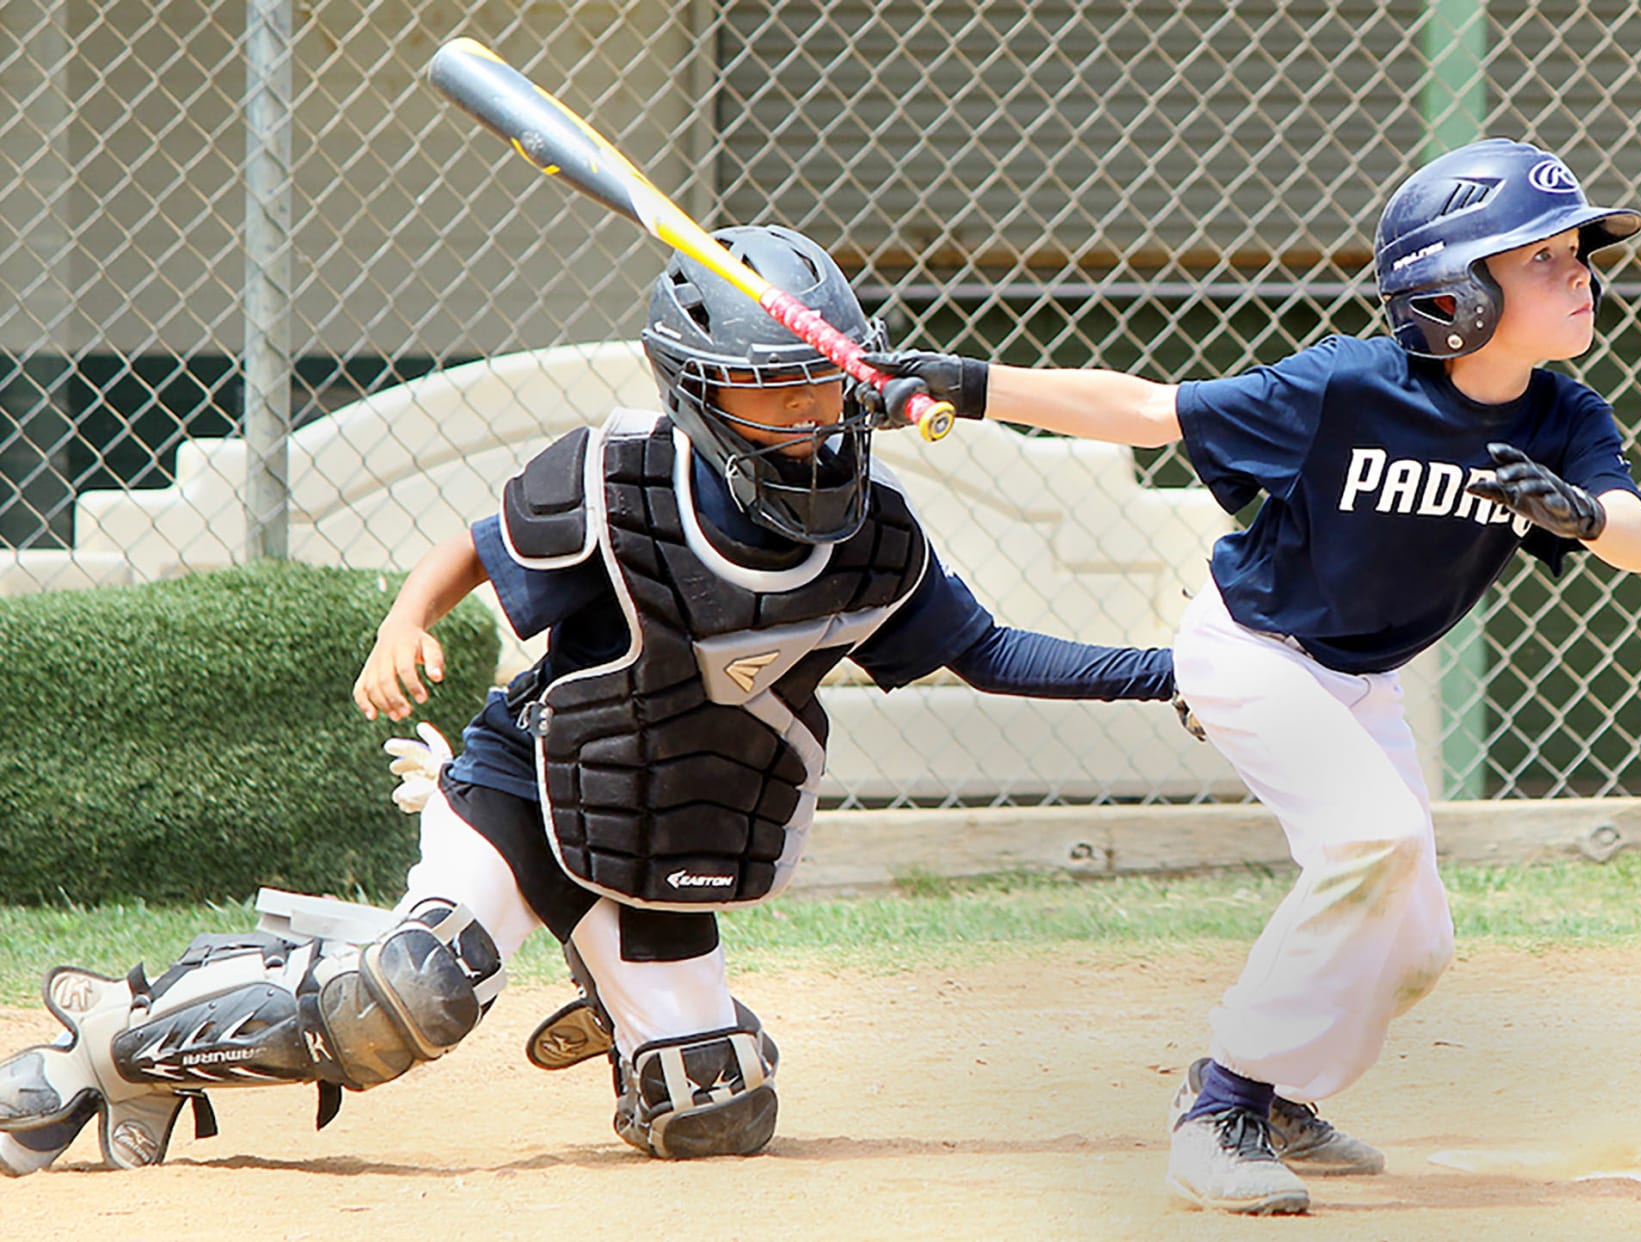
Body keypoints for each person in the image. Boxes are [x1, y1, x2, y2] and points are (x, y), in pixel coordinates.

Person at [0, 224, 1177, 1175]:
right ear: (699, 393)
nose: (811, 419)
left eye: (824, 385)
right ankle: (114, 1041)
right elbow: (474, 547)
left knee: (714, 1115)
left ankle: (625, 1003)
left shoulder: (875, 537)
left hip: (666, 841)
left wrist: (1172, 673)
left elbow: (991, 653)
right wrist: (406, 620)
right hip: (525, 790)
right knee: (403, 999)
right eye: (773, 394)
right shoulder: (622, 482)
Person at [864, 138, 1641, 1215]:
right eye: (1541, 258)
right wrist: (969, 384)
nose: (1579, 275)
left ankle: (1277, 1092)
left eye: (1577, 252)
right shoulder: (1345, 387)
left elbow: (1638, 538)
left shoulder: (1564, 418)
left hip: (1361, 680)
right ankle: (1220, 1112)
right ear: (1453, 291)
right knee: (1372, 841)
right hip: (1250, 651)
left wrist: (1580, 514)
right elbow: (1148, 411)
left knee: (1416, 947)